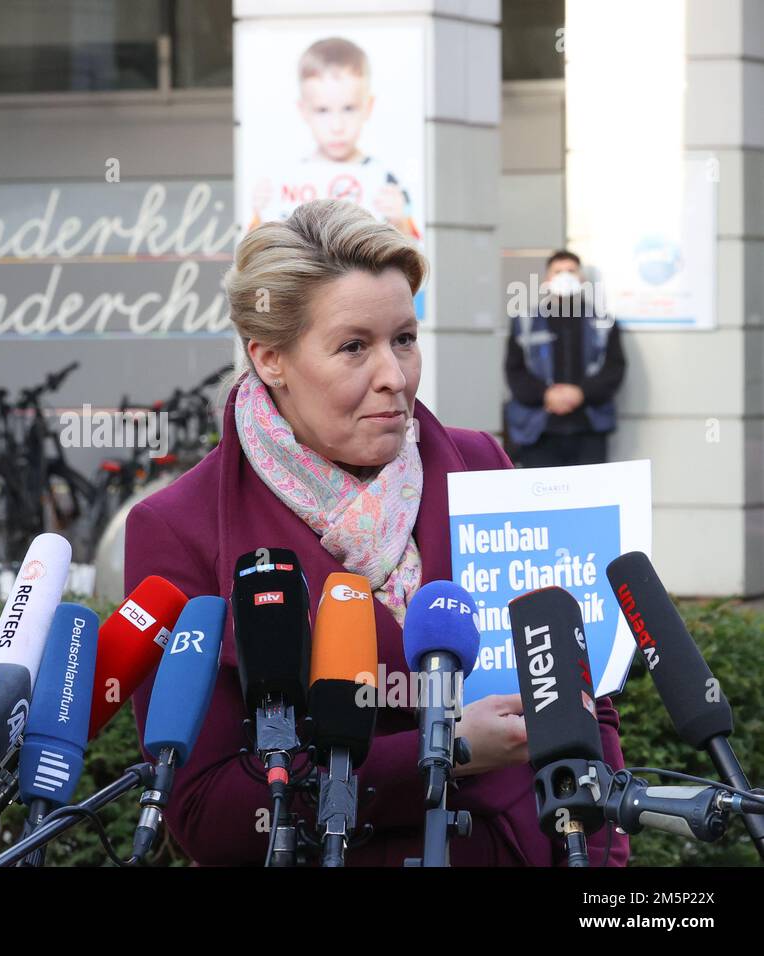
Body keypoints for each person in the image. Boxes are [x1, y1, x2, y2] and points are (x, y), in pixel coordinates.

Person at [125, 200, 628, 866]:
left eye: (405, 339)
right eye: (355, 347)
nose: (395, 376)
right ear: (270, 357)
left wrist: (601, 863)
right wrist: (445, 754)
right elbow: (206, 813)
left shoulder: (481, 464)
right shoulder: (180, 528)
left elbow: (588, 706)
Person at [249, 37, 420, 239]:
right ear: (303, 111)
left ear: (368, 107)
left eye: (348, 109)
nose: (337, 126)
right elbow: (255, 258)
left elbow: (415, 258)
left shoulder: (386, 182)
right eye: (322, 110)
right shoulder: (285, 180)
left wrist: (399, 222)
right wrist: (261, 217)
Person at [504, 250, 626, 467]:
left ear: (582, 279)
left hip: (589, 429)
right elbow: (515, 372)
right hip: (538, 431)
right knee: (541, 498)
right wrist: (547, 394)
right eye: (558, 271)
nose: (565, 276)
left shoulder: (604, 323)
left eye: (571, 271)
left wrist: (581, 393)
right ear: (547, 280)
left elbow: (614, 368)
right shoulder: (524, 322)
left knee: (591, 496)